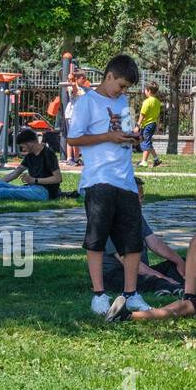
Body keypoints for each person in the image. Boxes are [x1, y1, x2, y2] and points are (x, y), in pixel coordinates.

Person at [67, 55, 149, 318]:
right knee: (97, 238)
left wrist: (132, 139)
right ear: (109, 76)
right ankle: (99, 295)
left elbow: (123, 135)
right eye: (121, 85)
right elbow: (73, 137)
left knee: (133, 241)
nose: (123, 92)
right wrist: (107, 136)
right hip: (98, 179)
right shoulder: (87, 102)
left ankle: (131, 293)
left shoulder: (123, 102)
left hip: (125, 179)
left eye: (126, 88)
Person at [0, 128, 60, 201]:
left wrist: (34, 180)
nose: (23, 150)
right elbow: (15, 173)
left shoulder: (48, 154)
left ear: (29, 143)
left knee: (3, 192)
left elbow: (57, 178)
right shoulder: (30, 156)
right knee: (0, 185)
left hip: (44, 192)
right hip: (31, 187)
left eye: (22, 146)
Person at [137, 80, 164, 168]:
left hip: (147, 125)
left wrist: (138, 125)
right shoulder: (157, 102)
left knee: (146, 141)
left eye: (145, 90)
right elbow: (157, 114)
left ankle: (144, 161)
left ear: (148, 91)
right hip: (153, 124)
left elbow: (142, 114)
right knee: (148, 142)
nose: (144, 92)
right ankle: (156, 159)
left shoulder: (146, 102)